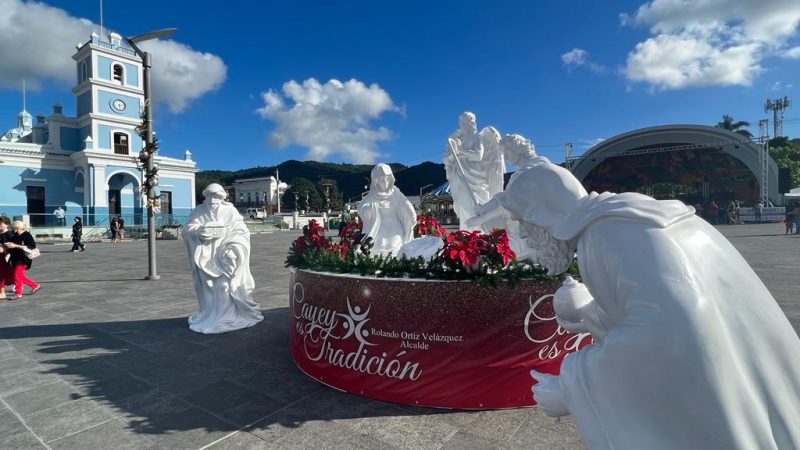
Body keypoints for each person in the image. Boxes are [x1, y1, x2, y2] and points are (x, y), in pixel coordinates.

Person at [467, 158, 800, 449]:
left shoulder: (607, 236)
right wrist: (588, 312)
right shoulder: (636, 218)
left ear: (543, 216)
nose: (524, 236)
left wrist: (572, 386)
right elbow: (665, 302)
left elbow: (669, 332)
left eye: (523, 223)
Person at [184, 183, 263, 334]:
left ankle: (226, 317)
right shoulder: (199, 211)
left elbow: (241, 231)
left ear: (221, 198)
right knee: (208, 286)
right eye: (210, 197)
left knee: (225, 286)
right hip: (205, 256)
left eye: (216, 197)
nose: (213, 200)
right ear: (206, 197)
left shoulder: (230, 211)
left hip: (225, 256)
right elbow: (188, 229)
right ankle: (211, 314)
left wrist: (233, 248)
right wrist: (198, 233)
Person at [444, 112, 505, 232]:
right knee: (462, 205)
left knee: (476, 206)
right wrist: (452, 151)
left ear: (471, 123)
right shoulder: (458, 140)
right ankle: (466, 234)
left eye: (465, 123)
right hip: (461, 177)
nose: (462, 125)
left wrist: (460, 150)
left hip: (475, 178)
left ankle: (480, 234)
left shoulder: (476, 137)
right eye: (461, 123)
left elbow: (478, 155)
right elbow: (447, 160)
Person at [358, 164, 416, 257]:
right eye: (382, 180)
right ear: (375, 182)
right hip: (377, 233)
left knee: (395, 248)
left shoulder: (395, 193)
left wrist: (411, 215)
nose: (385, 182)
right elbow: (361, 209)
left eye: (387, 179)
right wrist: (371, 208)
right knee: (375, 248)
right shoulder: (372, 195)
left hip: (394, 231)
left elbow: (406, 205)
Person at [4, 221, 41, 300]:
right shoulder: (15, 235)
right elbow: (13, 246)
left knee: (17, 274)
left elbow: (31, 247)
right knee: (18, 275)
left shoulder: (27, 235)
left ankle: (18, 293)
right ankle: (35, 285)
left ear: (17, 228)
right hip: (15, 259)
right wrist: (9, 247)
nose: (11, 230)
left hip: (24, 258)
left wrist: (15, 245)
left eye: (12, 228)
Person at [0, 216, 14, 299]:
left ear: (6, 224)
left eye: (1, 223)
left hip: (6, 257)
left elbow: (14, 245)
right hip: (2, 257)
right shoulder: (0, 233)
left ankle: (2, 293)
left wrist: (6, 250)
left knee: (6, 274)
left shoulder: (9, 234)